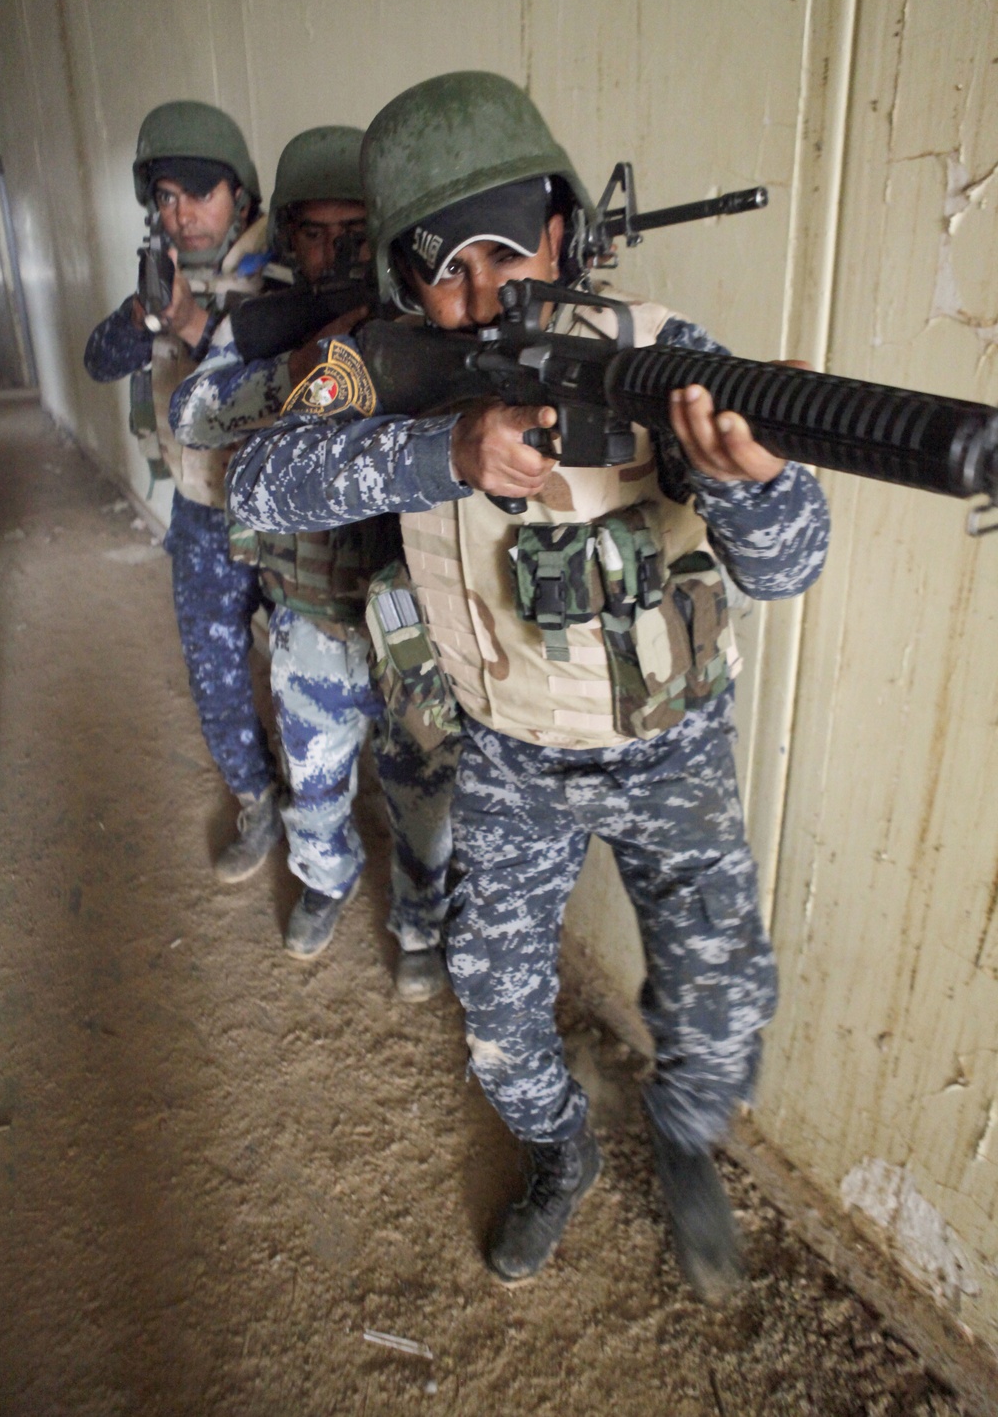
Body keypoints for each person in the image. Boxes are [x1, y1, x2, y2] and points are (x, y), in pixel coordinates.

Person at [225, 72, 831, 1297]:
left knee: (719, 1005)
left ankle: (683, 1136)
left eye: (508, 250)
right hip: (507, 759)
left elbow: (789, 565)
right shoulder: (381, 367)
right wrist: (443, 448)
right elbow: (255, 483)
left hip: (671, 748)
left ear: (562, 230)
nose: (485, 291)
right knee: (495, 1012)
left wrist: (753, 485)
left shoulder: (662, 352)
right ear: (403, 276)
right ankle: (561, 1151)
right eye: (445, 266)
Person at [169, 127, 456, 999]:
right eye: (315, 233)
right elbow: (193, 413)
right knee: (317, 781)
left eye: (355, 232)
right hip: (309, 613)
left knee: (423, 792)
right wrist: (300, 367)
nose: (335, 253)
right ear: (288, 234)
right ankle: (326, 882)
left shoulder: (429, 308)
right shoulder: (267, 323)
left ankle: (419, 923)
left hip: (413, 618)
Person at [84, 101, 281, 883]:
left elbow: (281, 381)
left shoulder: (285, 273)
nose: (183, 212)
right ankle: (258, 799)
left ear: (241, 195)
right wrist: (145, 316)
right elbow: (100, 360)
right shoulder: (161, 282)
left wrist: (198, 326)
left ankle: (322, 824)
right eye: (167, 196)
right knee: (216, 674)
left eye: (201, 192)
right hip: (201, 516)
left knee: (318, 680)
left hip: (286, 521)